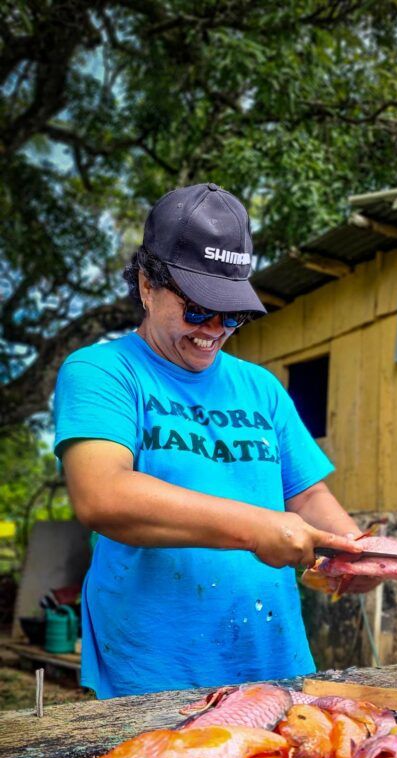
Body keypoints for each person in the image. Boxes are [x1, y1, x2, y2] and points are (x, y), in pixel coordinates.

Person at [54, 183, 373, 699]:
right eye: (198, 310)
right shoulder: (102, 372)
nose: (214, 329)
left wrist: (356, 551)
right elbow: (102, 495)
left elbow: (307, 496)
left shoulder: (261, 388)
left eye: (232, 315)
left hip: (276, 666)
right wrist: (256, 528)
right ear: (146, 286)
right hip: (155, 678)